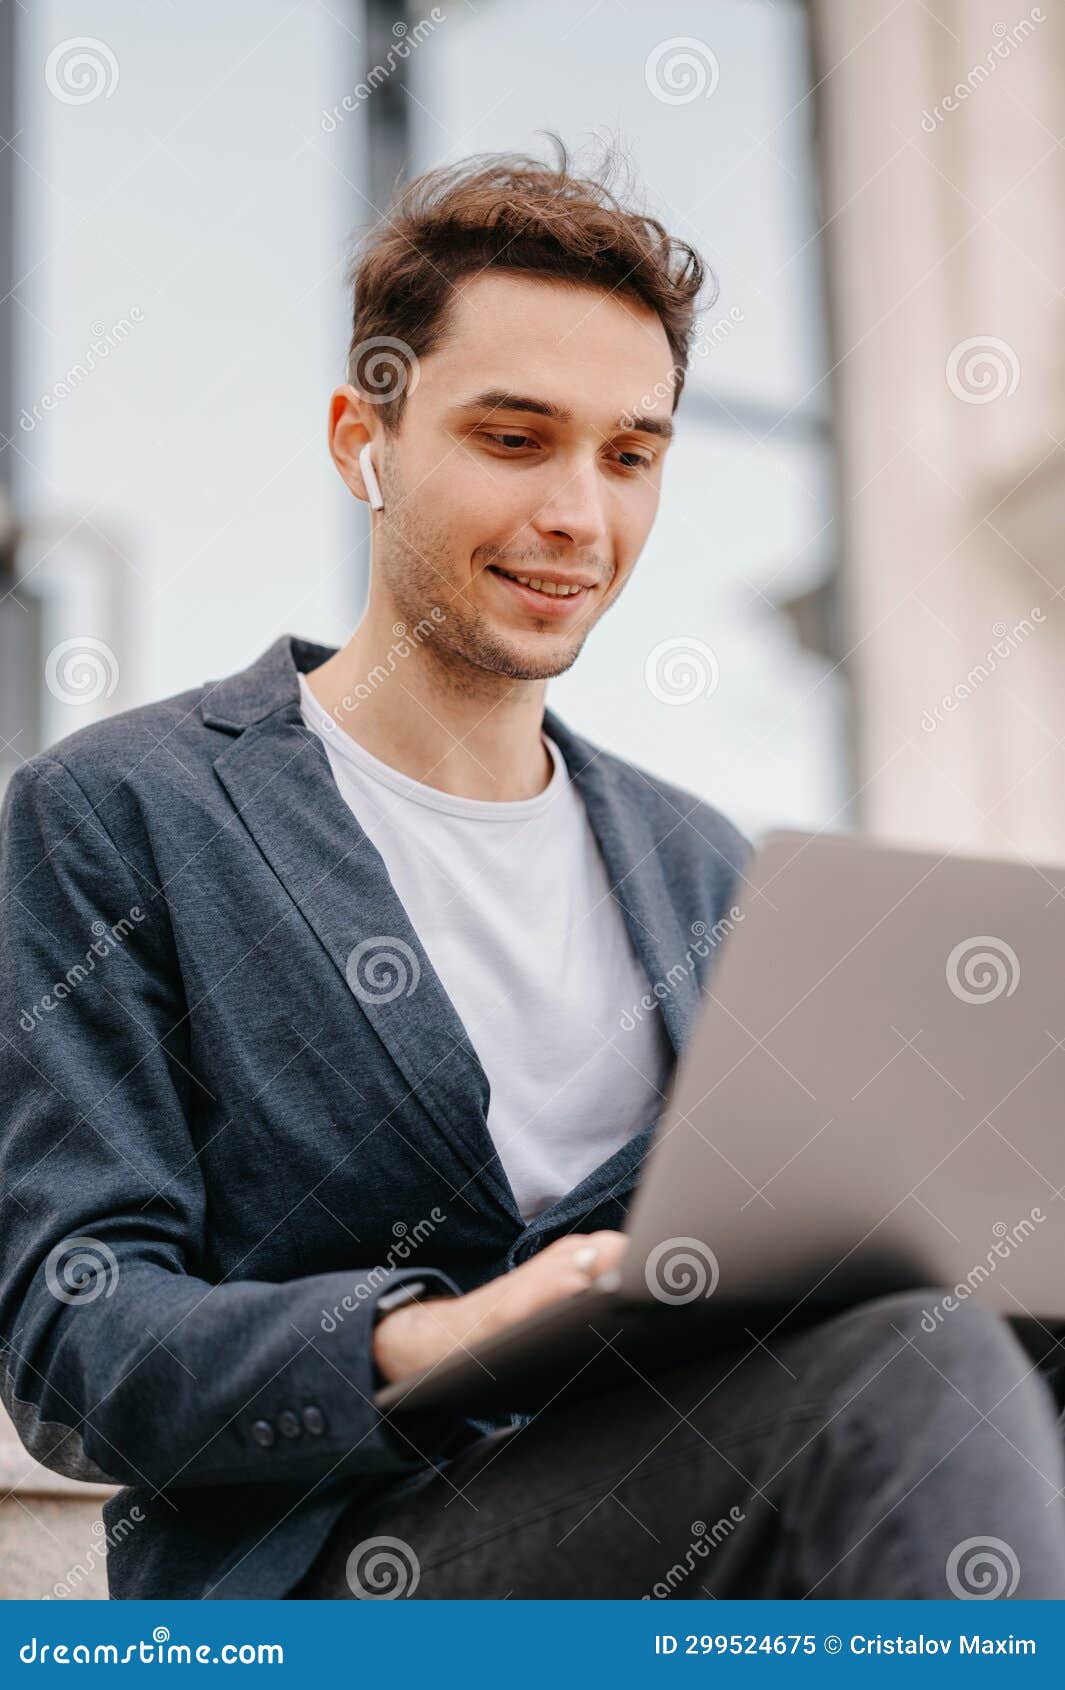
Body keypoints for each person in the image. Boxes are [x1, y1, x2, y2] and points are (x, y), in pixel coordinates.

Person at [2, 139, 1064, 1602]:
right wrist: (439, 1332)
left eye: (630, 455)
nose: (581, 513)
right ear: (359, 438)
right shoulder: (123, 812)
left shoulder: (699, 863)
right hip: (331, 1575)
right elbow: (75, 1336)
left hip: (687, 1508)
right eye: (515, 438)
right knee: (910, 1372)